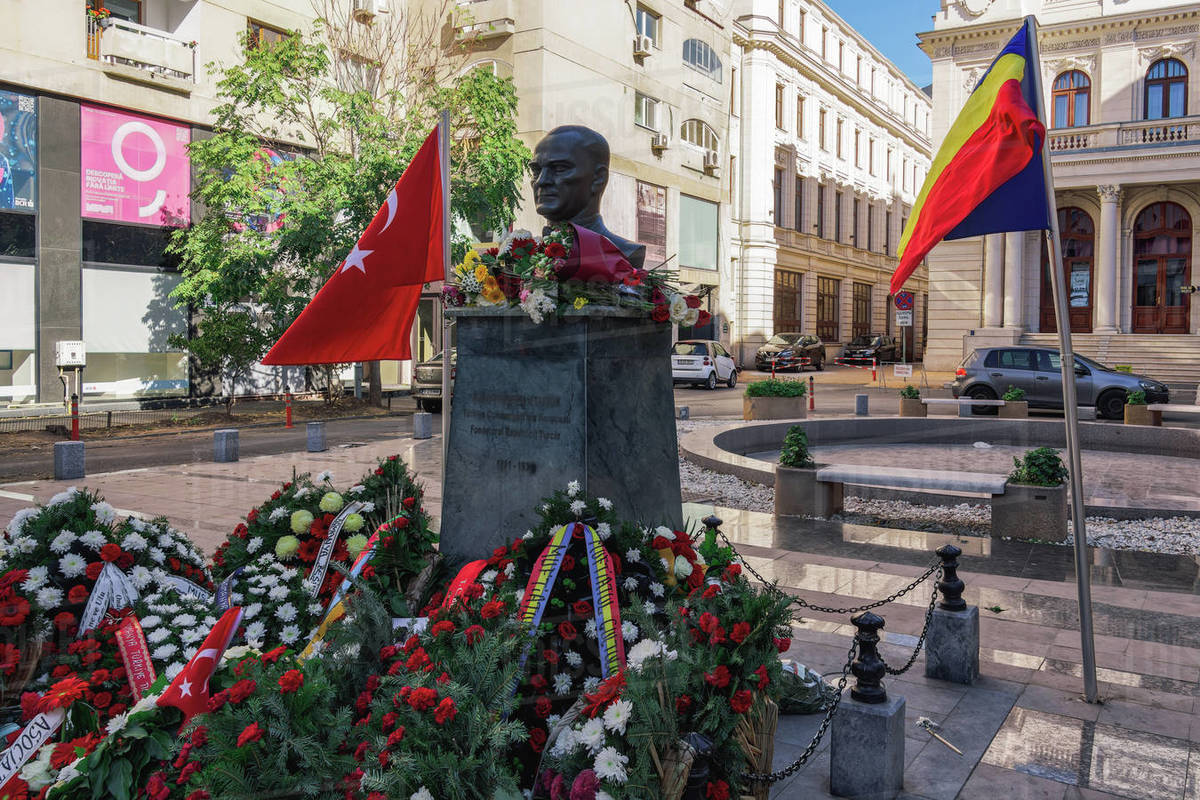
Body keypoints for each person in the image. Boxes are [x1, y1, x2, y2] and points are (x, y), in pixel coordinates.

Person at [529, 125, 646, 269]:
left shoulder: (625, 253)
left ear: (599, 178)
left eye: (559, 169)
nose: (541, 181)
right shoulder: (521, 255)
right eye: (536, 171)